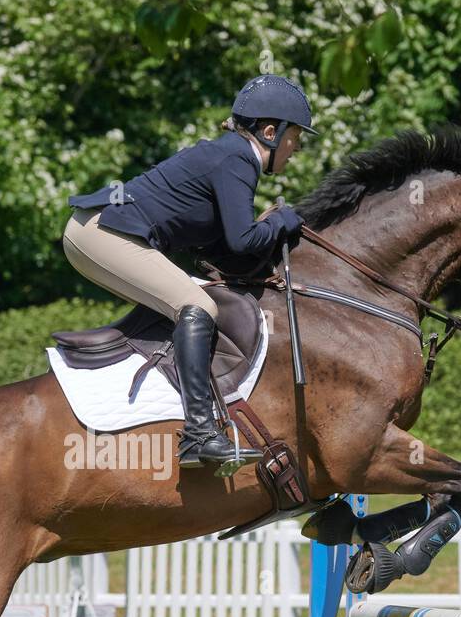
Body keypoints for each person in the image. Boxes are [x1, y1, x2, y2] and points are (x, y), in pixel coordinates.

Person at [64, 75, 316, 469]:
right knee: (196, 305)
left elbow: (227, 252)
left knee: (195, 297)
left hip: (97, 230)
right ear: (270, 132)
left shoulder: (229, 154)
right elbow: (241, 241)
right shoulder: (237, 157)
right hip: (101, 232)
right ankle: (199, 435)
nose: (296, 147)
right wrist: (283, 220)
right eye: (295, 138)